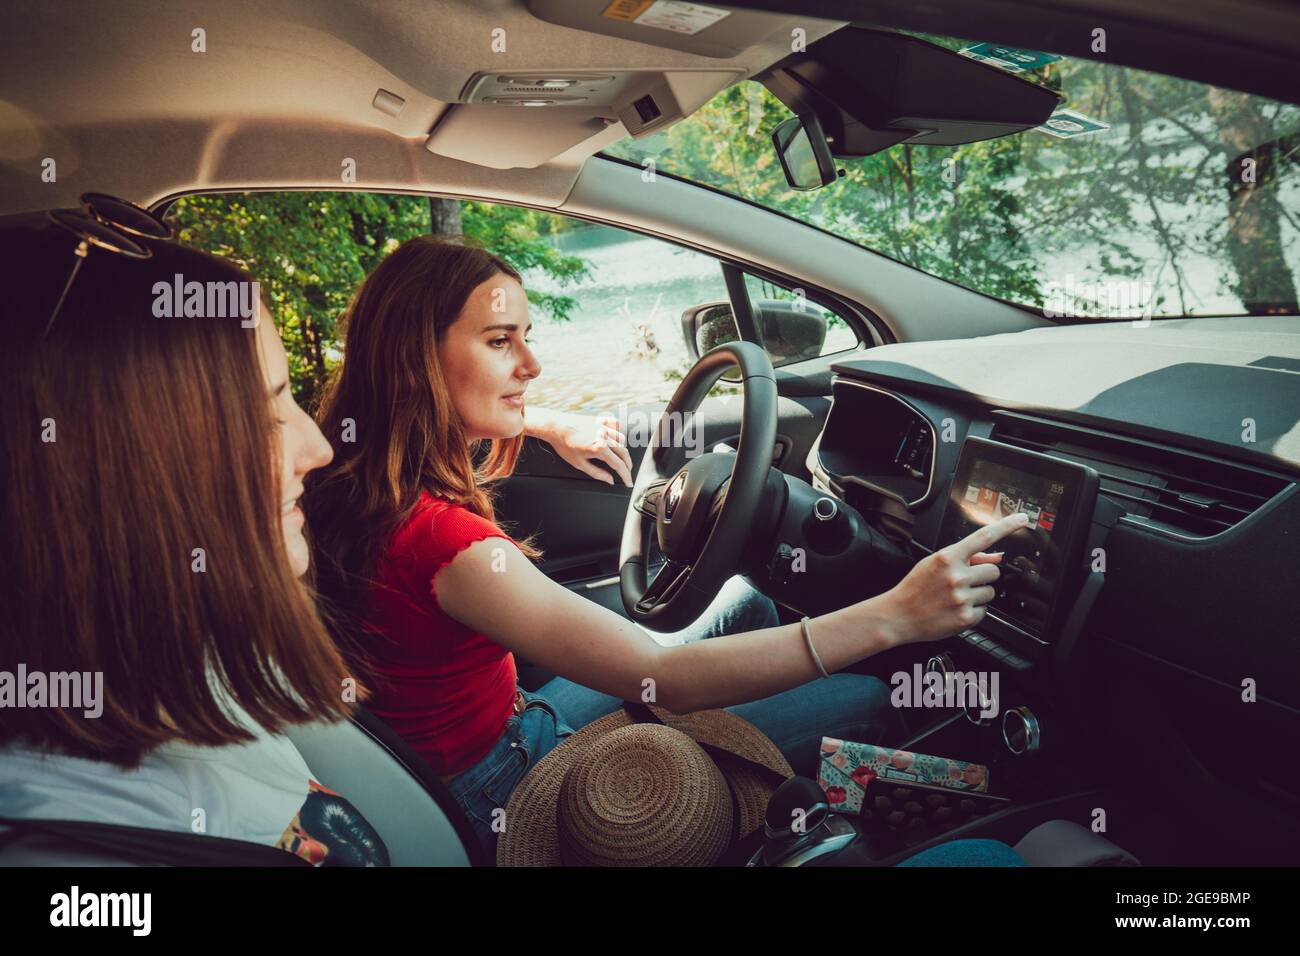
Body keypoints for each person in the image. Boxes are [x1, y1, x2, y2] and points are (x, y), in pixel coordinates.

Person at [304, 235, 1028, 863]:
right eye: (500, 342)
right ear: (415, 360)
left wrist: (551, 425)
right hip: (504, 777)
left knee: (743, 599)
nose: (531, 365)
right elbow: (663, 677)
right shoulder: (443, 539)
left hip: (488, 732)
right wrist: (896, 616)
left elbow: (487, 402)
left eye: (527, 336)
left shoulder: (338, 470)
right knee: (869, 695)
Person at [0, 200, 387, 866]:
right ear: (117, 475)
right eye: (264, 417)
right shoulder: (83, 855)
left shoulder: (189, 656)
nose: (319, 446)